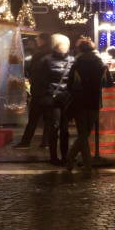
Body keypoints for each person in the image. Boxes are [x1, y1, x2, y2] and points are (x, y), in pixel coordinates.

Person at [64, 37, 106, 174]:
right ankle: (80, 162)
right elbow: (107, 83)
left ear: (79, 49)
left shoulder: (77, 64)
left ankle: (75, 161)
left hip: (79, 102)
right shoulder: (100, 63)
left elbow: (69, 85)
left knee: (82, 133)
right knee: (86, 133)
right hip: (94, 102)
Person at [41, 34, 74, 165]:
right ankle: (54, 157)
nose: (65, 47)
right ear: (56, 46)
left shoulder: (72, 60)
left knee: (65, 129)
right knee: (54, 127)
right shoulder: (46, 60)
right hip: (53, 98)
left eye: (67, 44)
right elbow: (40, 80)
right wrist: (46, 93)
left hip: (66, 98)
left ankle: (65, 156)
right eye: (62, 44)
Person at [16, 33, 51, 148]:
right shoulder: (52, 53)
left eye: (38, 39)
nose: (36, 41)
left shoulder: (38, 54)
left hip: (39, 90)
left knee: (33, 118)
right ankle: (45, 142)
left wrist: (32, 82)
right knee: (48, 119)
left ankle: (26, 141)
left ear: (42, 40)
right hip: (50, 91)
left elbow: (33, 71)